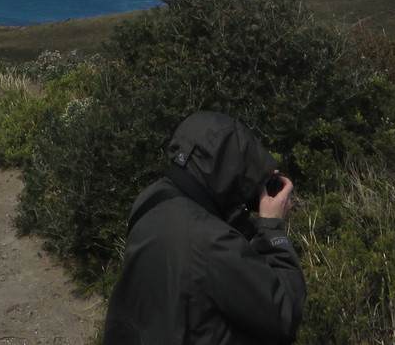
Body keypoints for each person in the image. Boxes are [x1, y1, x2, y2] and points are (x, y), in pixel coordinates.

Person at [100, 110, 306, 345]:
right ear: (230, 172)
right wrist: (271, 227)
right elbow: (284, 316)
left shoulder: (151, 198)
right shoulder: (212, 242)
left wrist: (240, 215)